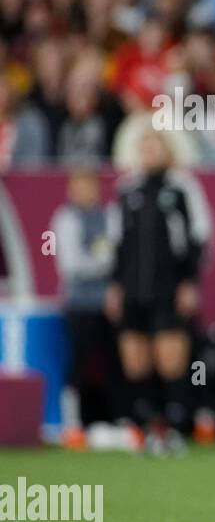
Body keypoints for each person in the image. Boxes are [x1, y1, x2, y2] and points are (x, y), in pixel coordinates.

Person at [105, 127, 213, 454]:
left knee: (171, 361)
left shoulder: (182, 188)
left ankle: (178, 427)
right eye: (144, 147)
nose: (150, 153)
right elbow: (116, 241)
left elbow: (199, 236)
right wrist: (114, 284)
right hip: (133, 287)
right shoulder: (127, 189)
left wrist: (189, 282)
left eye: (155, 146)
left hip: (168, 287)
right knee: (136, 362)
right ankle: (145, 428)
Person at [51, 168, 117, 439]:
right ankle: (72, 421)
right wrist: (104, 262)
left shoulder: (110, 215)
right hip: (79, 303)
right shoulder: (65, 219)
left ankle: (111, 420)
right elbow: (72, 265)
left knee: (113, 363)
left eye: (88, 186)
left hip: (109, 302)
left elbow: (119, 252)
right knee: (78, 362)